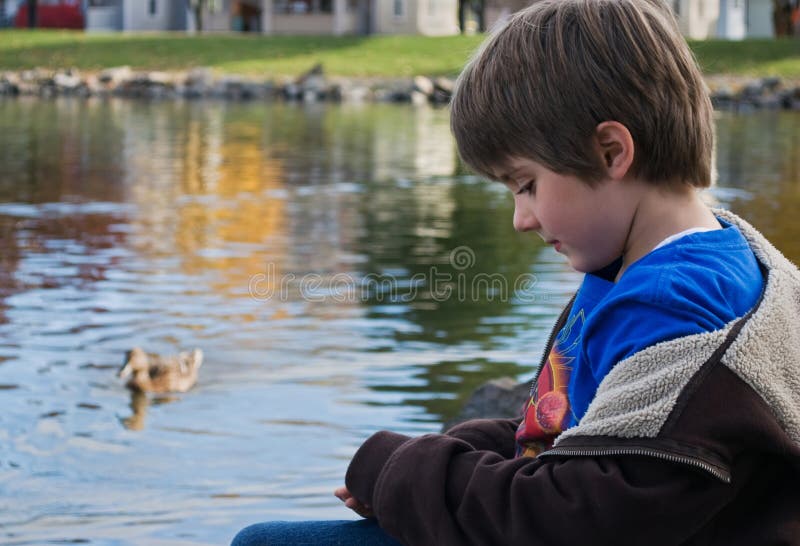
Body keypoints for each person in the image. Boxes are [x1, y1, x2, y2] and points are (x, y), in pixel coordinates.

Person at [232, 0, 800, 544]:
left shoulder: (675, 306)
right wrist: (450, 450)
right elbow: (566, 432)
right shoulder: (659, 266)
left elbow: (568, 520)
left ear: (610, 152)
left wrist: (402, 471)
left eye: (526, 185)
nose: (520, 219)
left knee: (261, 542)